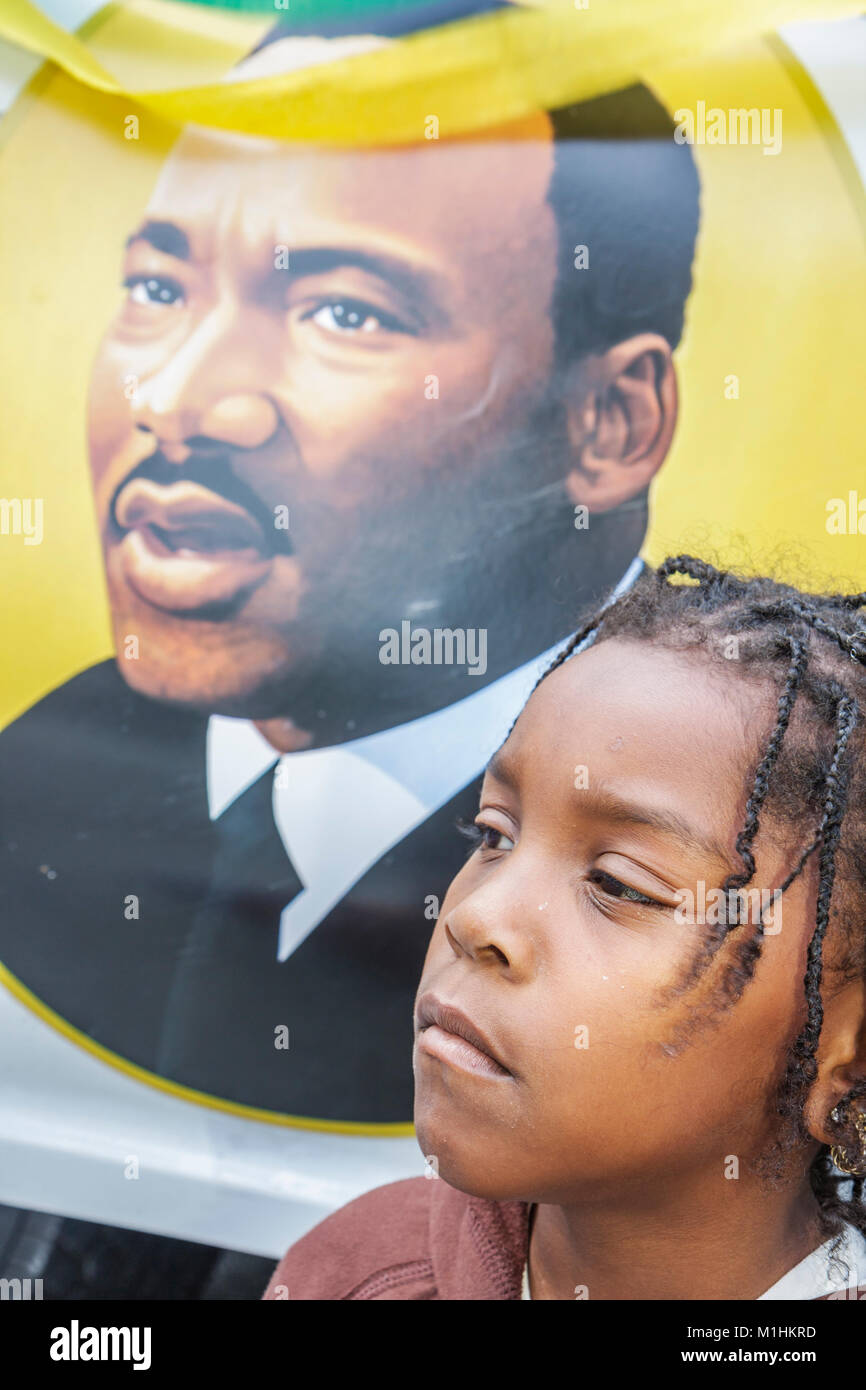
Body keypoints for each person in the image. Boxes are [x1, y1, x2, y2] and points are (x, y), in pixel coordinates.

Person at [0, 14, 699, 1123]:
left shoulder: (720, 889)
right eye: (158, 289)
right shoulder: (33, 774)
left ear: (608, 422)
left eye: (344, 311)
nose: (178, 399)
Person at [263, 556, 866, 1298]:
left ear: (851, 1048)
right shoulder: (357, 1270)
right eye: (494, 834)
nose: (476, 918)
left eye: (619, 885)